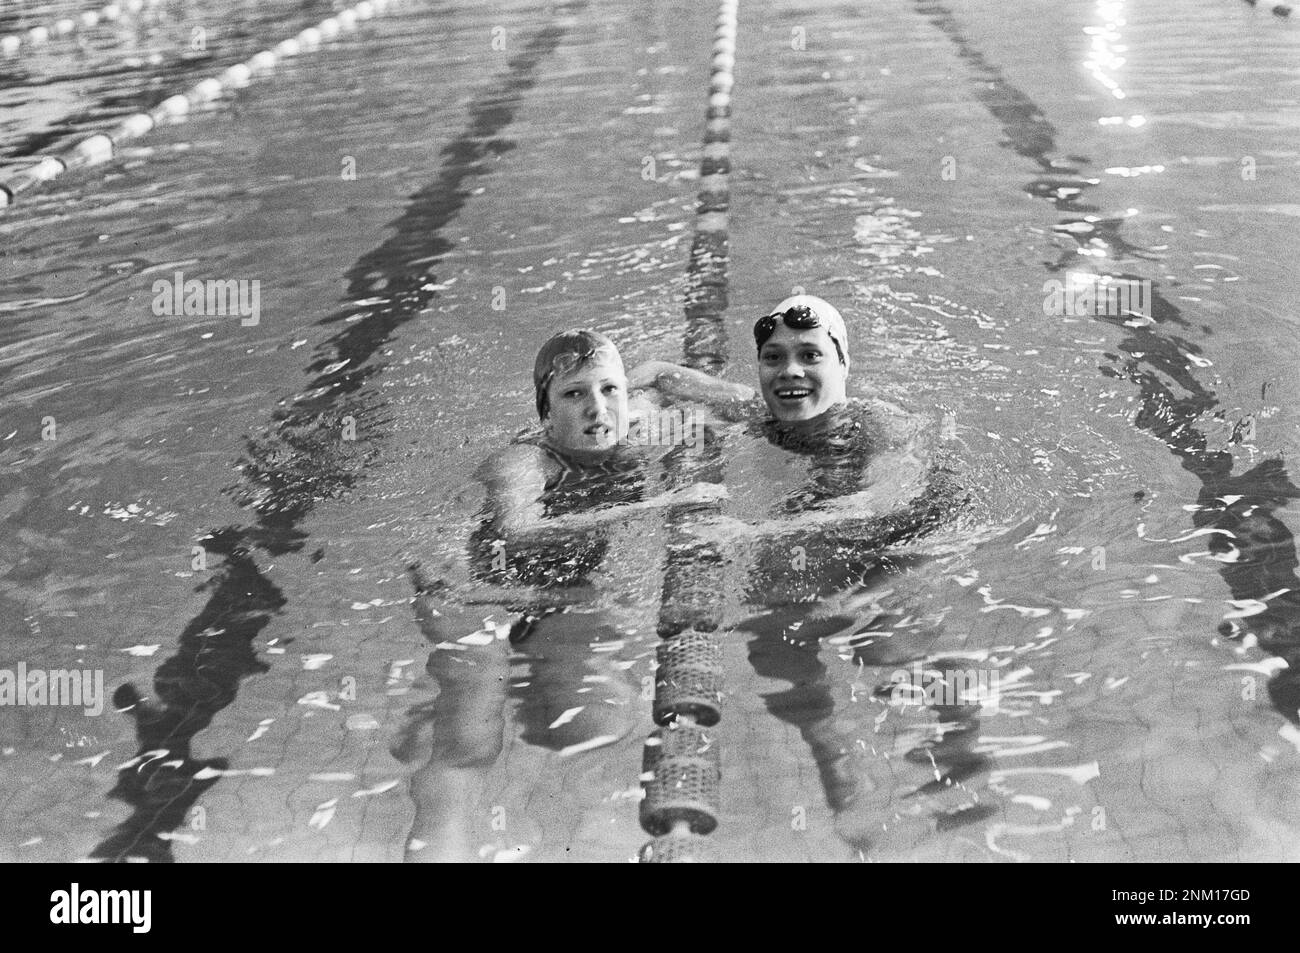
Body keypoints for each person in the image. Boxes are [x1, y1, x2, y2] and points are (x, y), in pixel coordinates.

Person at [629, 294, 972, 848]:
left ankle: (961, 747)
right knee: (772, 639)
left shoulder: (878, 422)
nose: (790, 371)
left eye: (810, 356)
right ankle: (829, 748)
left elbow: (879, 506)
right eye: (774, 358)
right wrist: (626, 396)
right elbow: (668, 377)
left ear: (842, 366)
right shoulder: (766, 413)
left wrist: (750, 534)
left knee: (885, 651)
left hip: (903, 532)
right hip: (823, 525)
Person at [394, 329, 722, 862]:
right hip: (467, 590)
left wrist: (751, 403)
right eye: (574, 394)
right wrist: (657, 506)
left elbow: (659, 372)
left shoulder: (625, 416)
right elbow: (515, 532)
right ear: (546, 411)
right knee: (470, 745)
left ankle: (486, 695)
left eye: (608, 390)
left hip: (553, 589)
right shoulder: (525, 464)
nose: (598, 407)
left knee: (595, 724)